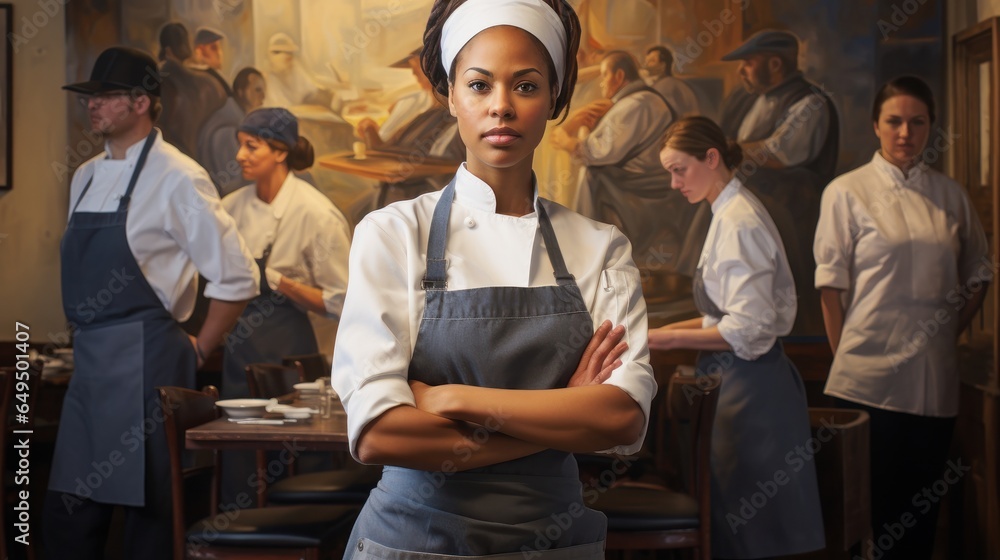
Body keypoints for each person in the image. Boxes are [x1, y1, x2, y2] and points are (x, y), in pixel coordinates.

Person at [331, 0, 656, 557]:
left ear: (554, 99)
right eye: (479, 85)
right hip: (413, 539)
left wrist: (452, 398)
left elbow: (621, 419)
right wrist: (560, 410)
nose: (501, 107)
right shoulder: (391, 233)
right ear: (450, 95)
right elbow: (378, 435)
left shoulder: (601, 246)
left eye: (526, 86)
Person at [45, 46, 259, 560]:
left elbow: (236, 275)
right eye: (89, 98)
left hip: (147, 361)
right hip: (91, 365)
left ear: (141, 102)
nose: (92, 106)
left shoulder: (178, 177)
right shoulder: (86, 176)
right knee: (67, 515)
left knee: (151, 515)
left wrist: (197, 348)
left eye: (105, 96)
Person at [814, 76, 989, 560]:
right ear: (876, 125)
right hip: (863, 381)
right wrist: (844, 355)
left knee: (918, 519)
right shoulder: (846, 192)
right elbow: (831, 287)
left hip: (935, 382)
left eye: (918, 122)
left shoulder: (950, 196)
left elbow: (979, 273)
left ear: (931, 127)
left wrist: (943, 334)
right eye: (894, 121)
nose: (905, 132)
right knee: (860, 518)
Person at [649, 116, 825, 559]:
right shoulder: (727, 211)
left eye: (679, 169)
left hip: (753, 391)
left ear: (712, 158)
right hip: (737, 385)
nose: (674, 184)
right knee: (734, 521)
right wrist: (659, 333)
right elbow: (725, 316)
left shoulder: (740, 221)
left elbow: (747, 329)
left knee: (753, 529)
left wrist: (663, 342)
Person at [219, 107, 351, 501]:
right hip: (237, 351)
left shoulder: (316, 213)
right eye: (240, 146)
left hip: (289, 353)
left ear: (280, 152)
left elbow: (344, 302)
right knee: (239, 456)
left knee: (289, 458)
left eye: (251, 146)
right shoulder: (229, 208)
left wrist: (278, 281)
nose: (240, 156)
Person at [719, 29, 839, 334]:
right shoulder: (756, 101)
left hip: (792, 212)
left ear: (774, 64)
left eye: (748, 62)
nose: (741, 70)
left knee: (787, 291)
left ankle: (794, 341)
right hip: (757, 207)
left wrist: (729, 149)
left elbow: (779, 154)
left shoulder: (810, 103)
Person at [550, 50, 698, 275]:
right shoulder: (638, 101)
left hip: (643, 188)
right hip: (645, 181)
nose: (601, 83)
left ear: (619, 76)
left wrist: (569, 139)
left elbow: (594, 154)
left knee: (591, 175)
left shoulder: (635, 105)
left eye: (604, 75)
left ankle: (586, 254)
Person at [157, 21, 227, 157]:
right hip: (205, 160)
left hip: (173, 160)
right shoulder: (210, 83)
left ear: (167, 50)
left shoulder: (159, 83)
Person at [197, 67, 267, 195]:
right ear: (240, 92)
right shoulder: (227, 130)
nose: (263, 96)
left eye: (263, 90)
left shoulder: (237, 120)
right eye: (257, 90)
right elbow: (232, 184)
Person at [263, 32, 334, 109]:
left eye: (290, 53)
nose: (289, 57)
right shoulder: (268, 80)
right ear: (272, 56)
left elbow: (312, 91)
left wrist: (331, 98)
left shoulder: (295, 69)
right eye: (283, 53)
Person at [644, 45, 700, 118]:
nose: (646, 65)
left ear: (663, 65)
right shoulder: (666, 83)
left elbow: (663, 116)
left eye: (652, 61)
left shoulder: (666, 85)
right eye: (646, 61)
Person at [191, 26, 233, 98]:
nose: (219, 53)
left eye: (219, 48)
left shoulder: (216, 78)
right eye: (213, 48)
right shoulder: (200, 81)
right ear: (199, 52)